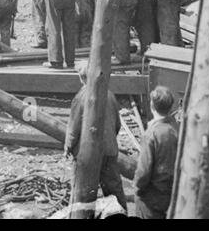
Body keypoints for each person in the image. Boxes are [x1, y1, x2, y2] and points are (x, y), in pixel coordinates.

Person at [63, 62, 127, 209]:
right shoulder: (109, 94)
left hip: (87, 155)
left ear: (82, 78)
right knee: (114, 191)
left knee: (82, 194)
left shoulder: (80, 98)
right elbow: (117, 124)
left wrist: (68, 146)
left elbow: (74, 127)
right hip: (109, 150)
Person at [133, 86, 179, 218]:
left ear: (152, 105)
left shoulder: (151, 134)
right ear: (171, 106)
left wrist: (137, 188)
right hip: (171, 193)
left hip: (152, 196)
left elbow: (144, 170)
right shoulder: (176, 127)